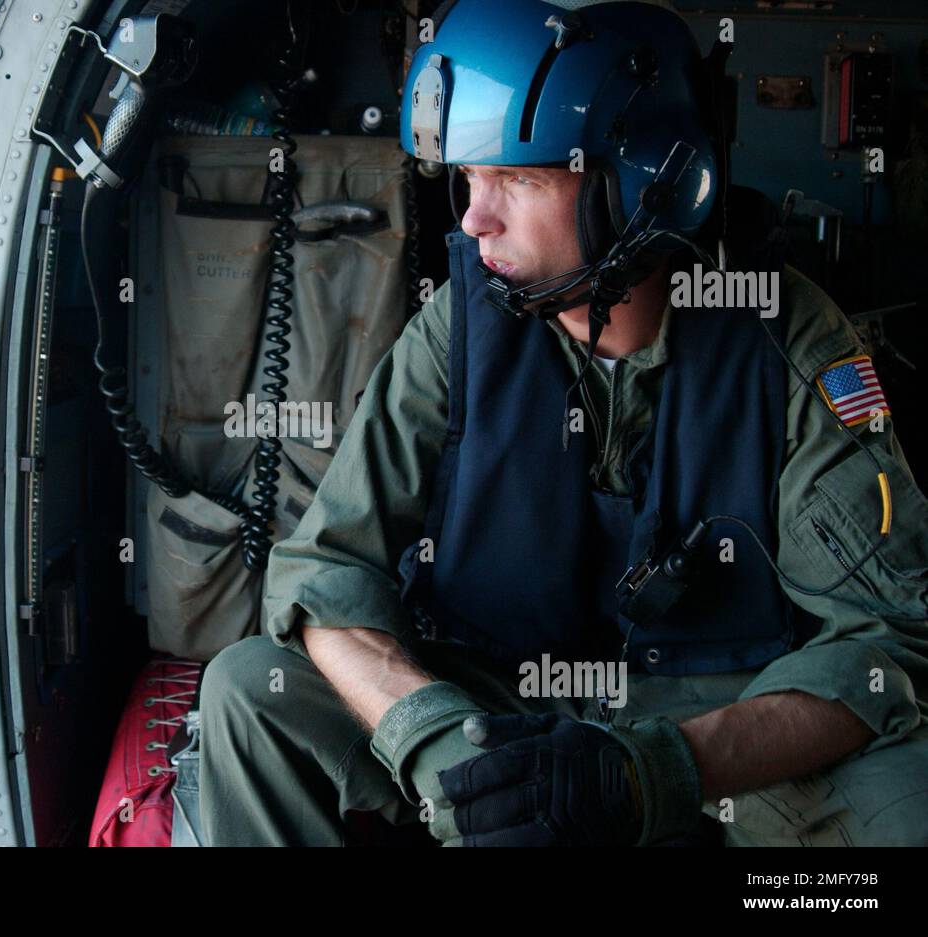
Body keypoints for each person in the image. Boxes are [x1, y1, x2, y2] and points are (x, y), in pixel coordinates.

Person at [196, 0, 928, 846]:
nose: (474, 220)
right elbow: (325, 575)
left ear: (642, 182)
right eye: (470, 180)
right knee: (252, 689)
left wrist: (644, 770)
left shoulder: (788, 340)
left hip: (721, 706)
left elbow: (883, 645)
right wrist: (438, 740)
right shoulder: (456, 329)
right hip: (495, 699)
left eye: (521, 178)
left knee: (907, 798)